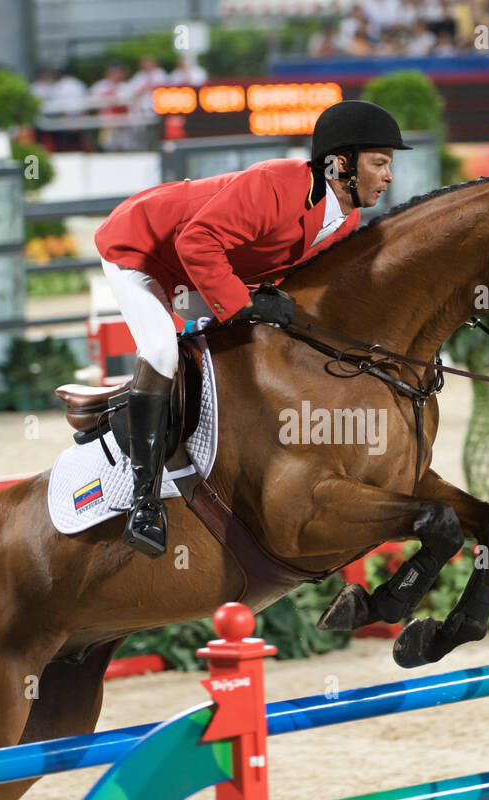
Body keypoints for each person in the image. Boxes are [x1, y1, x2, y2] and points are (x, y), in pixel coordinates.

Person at [92, 100, 409, 557]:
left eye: (389, 165)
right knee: (160, 350)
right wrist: (246, 302)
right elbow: (196, 240)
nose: (389, 176)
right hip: (141, 250)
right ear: (342, 164)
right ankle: (143, 500)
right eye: (379, 163)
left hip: (195, 270)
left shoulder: (346, 220)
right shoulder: (276, 185)